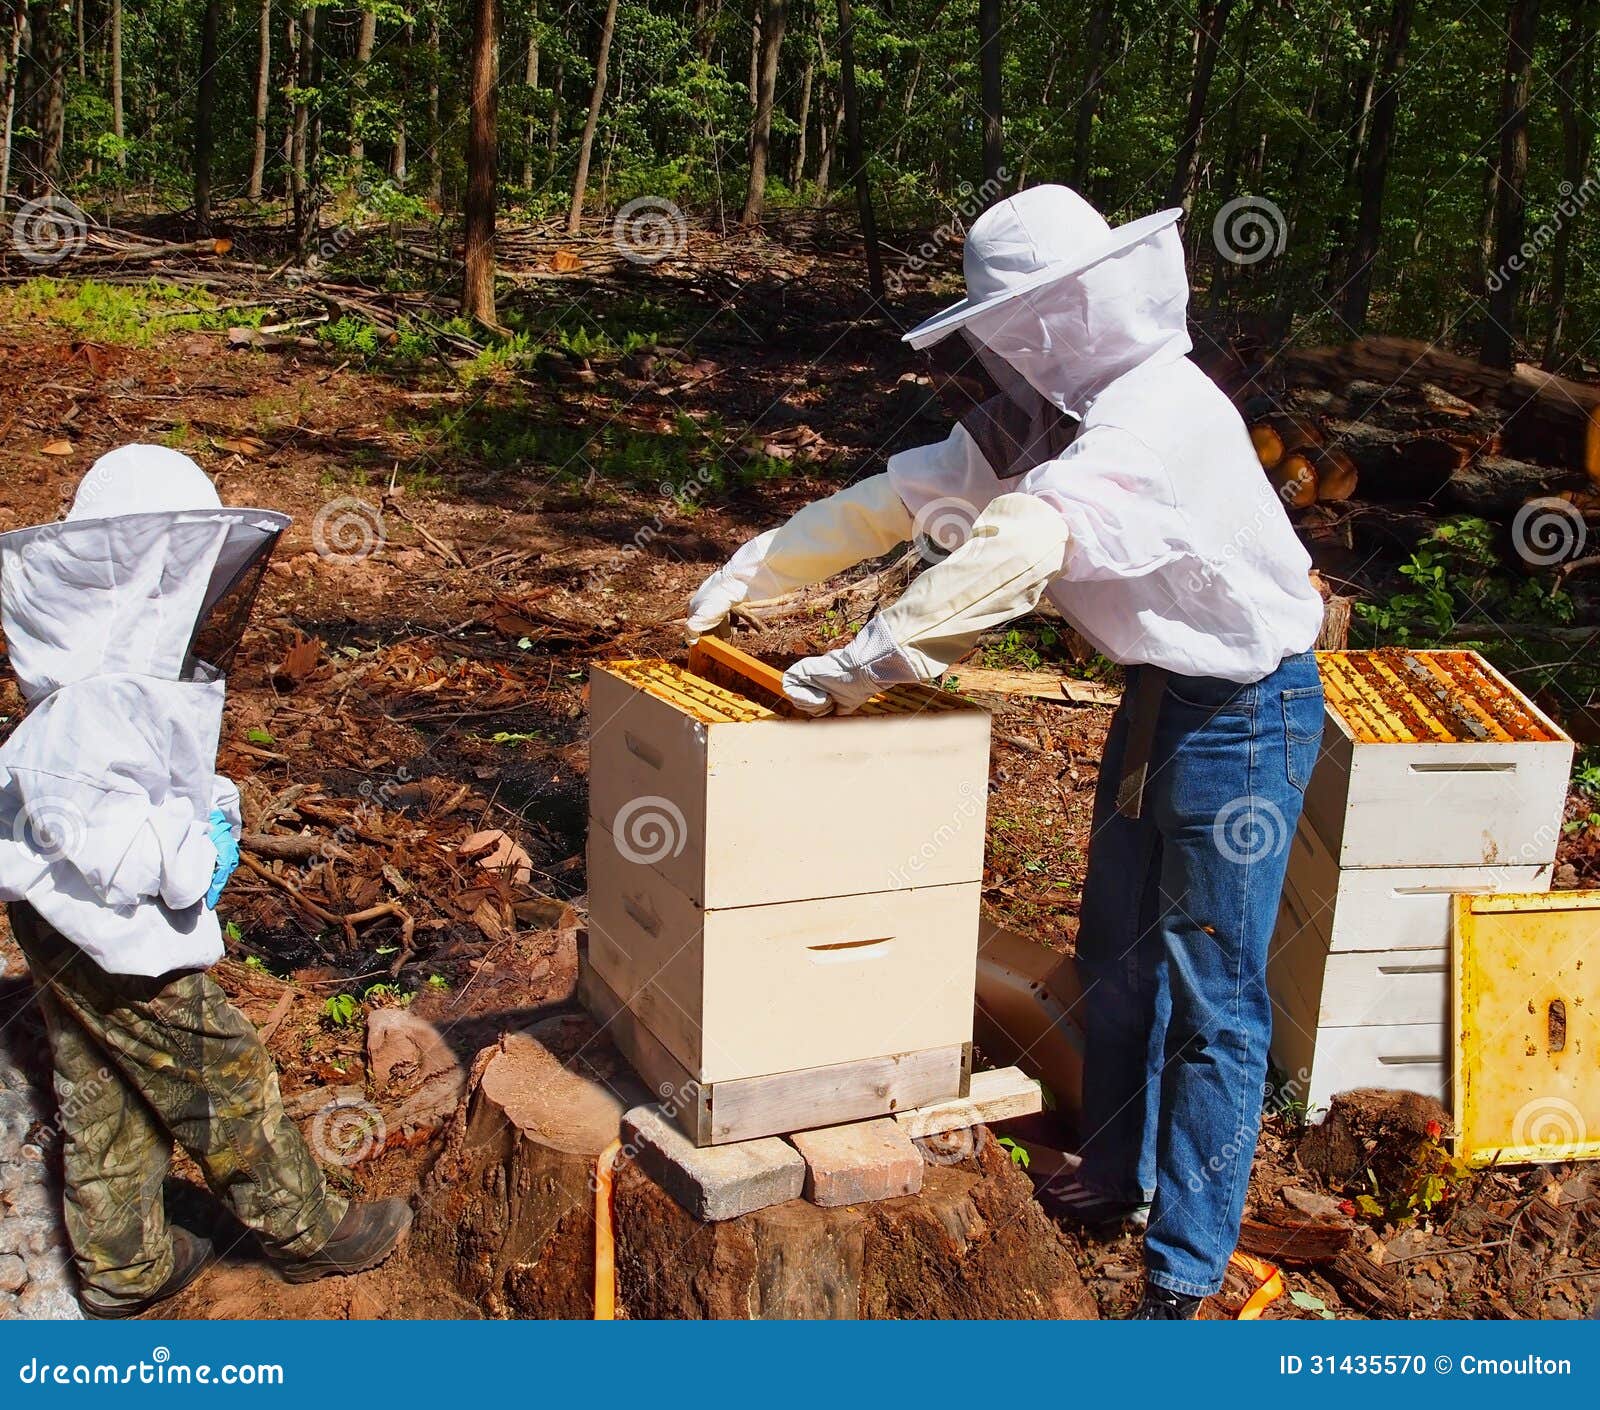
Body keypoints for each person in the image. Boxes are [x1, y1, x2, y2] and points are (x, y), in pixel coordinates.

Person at [686, 185, 1325, 1319]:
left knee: (1213, 995)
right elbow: (895, 500)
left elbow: (1029, 539)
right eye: (1010, 322)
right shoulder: (1046, 419)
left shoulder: (1158, 416)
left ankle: (1182, 1267)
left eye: (1038, 316)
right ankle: (1115, 1172)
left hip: (1249, 714)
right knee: (1116, 960)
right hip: (1159, 702)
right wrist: (749, 572)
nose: (1022, 342)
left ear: (1091, 301)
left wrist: (877, 652)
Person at [0, 445, 411, 1319]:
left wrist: (207, 810)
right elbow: (118, 844)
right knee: (222, 1074)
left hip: (64, 916)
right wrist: (198, 854)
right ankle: (306, 1230)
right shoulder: (80, 710)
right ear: (147, 567)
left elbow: (155, 784)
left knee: (100, 1087)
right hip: (104, 927)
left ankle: (125, 1269)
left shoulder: (105, 679)